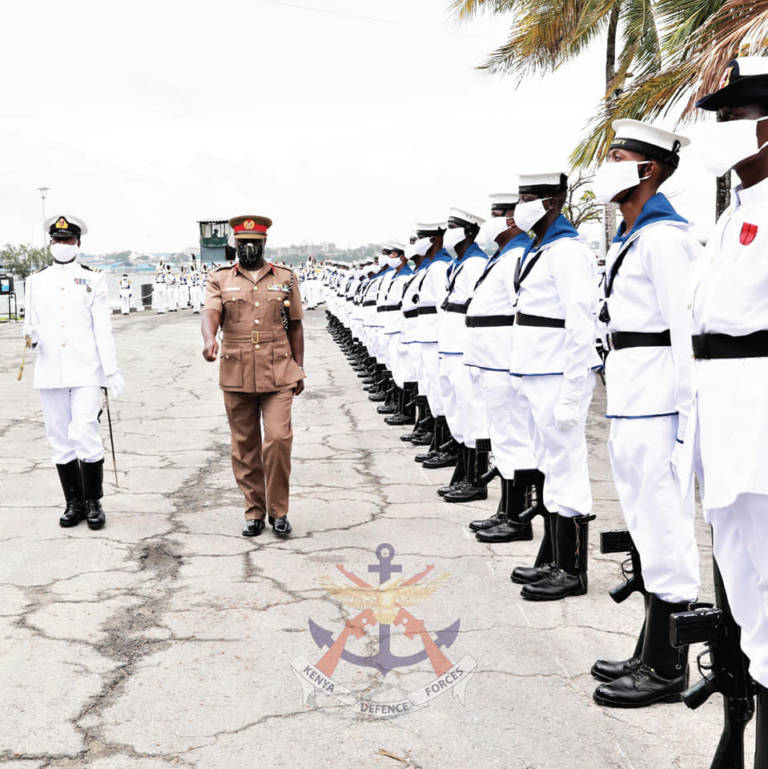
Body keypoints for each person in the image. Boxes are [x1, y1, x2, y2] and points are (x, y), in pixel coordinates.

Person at [588, 120, 701, 708]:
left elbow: (685, 337)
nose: (605, 166)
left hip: (659, 403)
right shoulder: (633, 236)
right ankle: (648, 647)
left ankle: (667, 667)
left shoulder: (665, 240)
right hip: (633, 400)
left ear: (647, 169)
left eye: (617, 156)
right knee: (647, 526)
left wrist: (687, 421)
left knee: (667, 530)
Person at [685, 57, 768, 757]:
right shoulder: (731, 217)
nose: (723, 131)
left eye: (736, 116)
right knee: (749, 603)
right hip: (727, 433)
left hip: (763, 434)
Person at [508, 173, 601, 601]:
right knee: (550, 466)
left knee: (567, 469)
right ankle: (552, 559)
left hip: (558, 376)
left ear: (554, 201)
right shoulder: (541, 248)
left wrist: (572, 389)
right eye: (520, 197)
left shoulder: (567, 251)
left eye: (529, 198)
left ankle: (573, 570)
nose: (520, 206)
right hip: (536, 374)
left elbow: (582, 326)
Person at [201, 215, 305, 537]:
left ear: (264, 244)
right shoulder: (219, 278)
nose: (248, 248)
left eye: (254, 243)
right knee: (244, 445)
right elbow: (211, 313)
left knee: (277, 440)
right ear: (235, 244)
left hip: (278, 371)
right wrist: (209, 339)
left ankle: (279, 511)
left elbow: (297, 323)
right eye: (242, 243)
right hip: (237, 371)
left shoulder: (285, 277)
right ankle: (254, 511)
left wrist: (299, 366)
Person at [23, 215, 125, 530]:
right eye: (58, 240)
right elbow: (30, 322)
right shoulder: (35, 281)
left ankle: (94, 502)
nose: (63, 245)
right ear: (51, 243)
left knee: (84, 432)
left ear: (78, 243)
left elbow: (102, 330)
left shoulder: (93, 279)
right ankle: (74, 503)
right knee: (59, 438)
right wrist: (31, 337)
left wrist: (111, 371)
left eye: (68, 240)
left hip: (86, 370)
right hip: (50, 369)